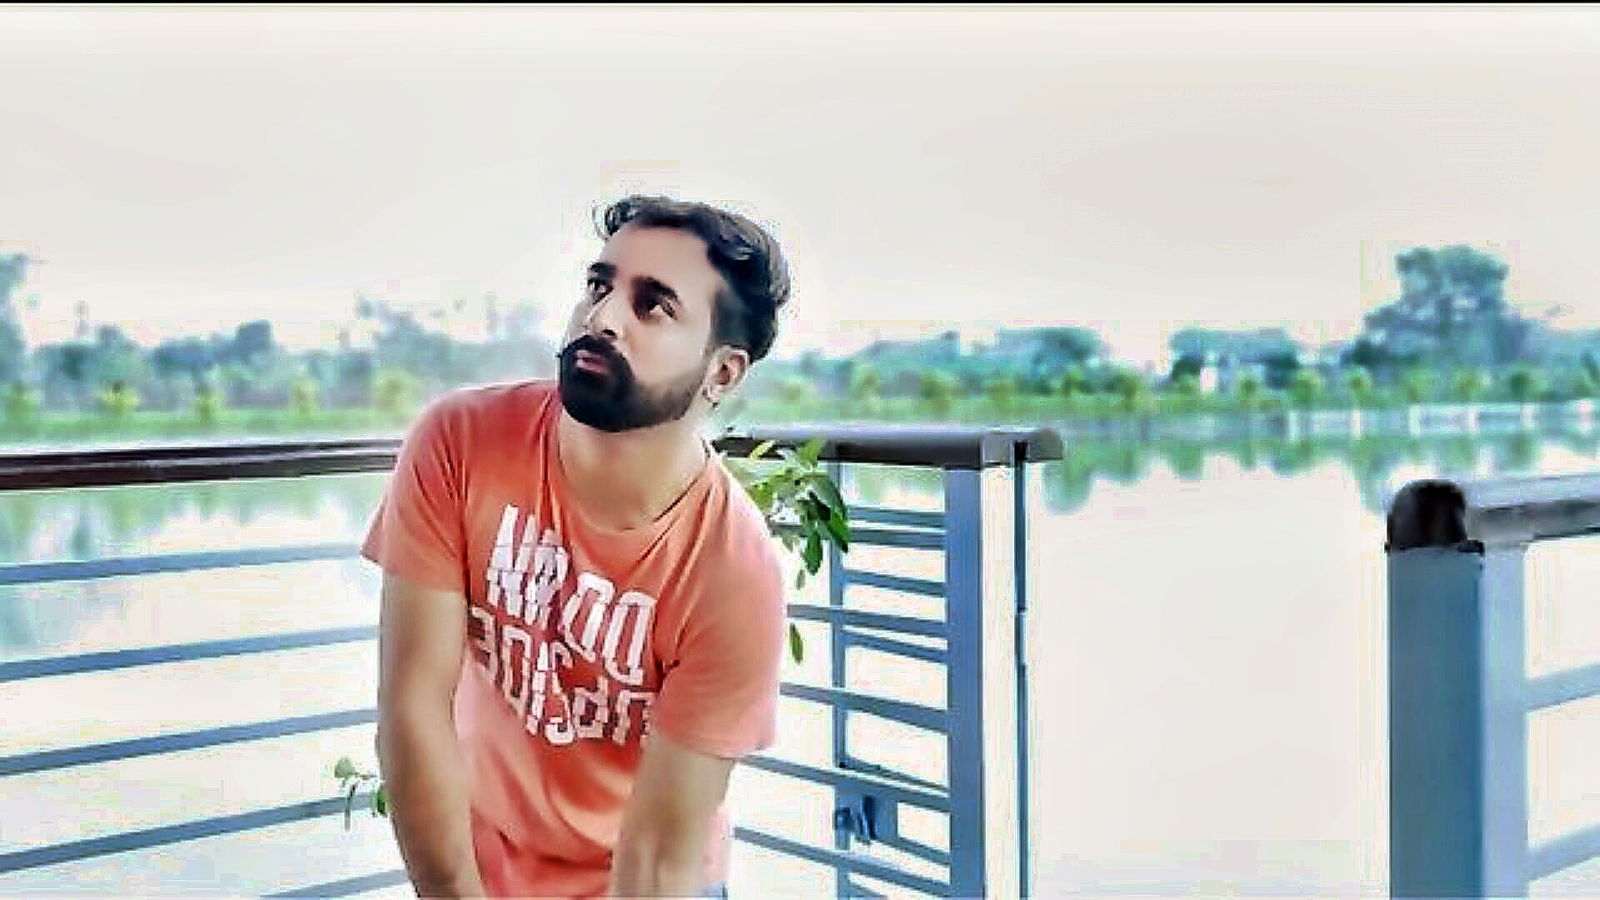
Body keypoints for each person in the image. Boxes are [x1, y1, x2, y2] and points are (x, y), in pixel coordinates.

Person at [360, 195, 793, 898]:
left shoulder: (734, 572)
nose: (602, 318)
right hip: (474, 874)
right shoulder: (461, 443)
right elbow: (414, 713)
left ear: (722, 373)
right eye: (600, 285)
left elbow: (658, 864)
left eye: (653, 305)